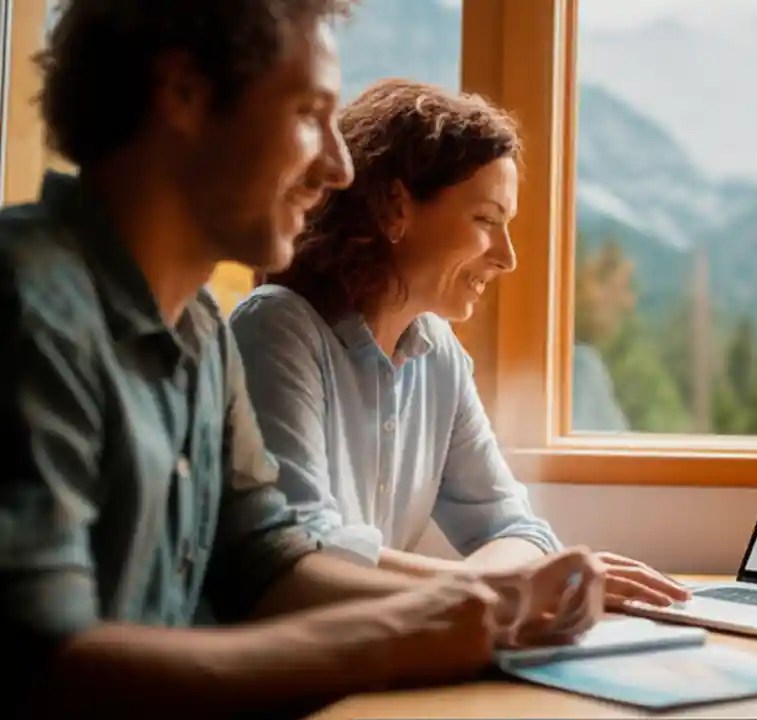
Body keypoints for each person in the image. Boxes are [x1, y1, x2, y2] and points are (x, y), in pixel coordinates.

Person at [0, 2, 606, 716]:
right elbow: (40, 658)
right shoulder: (27, 306)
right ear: (184, 95)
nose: (338, 165)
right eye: (309, 113)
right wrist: (393, 635)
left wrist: (492, 602)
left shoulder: (198, 330)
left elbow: (268, 563)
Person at [229, 79, 691, 609]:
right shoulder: (277, 330)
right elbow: (304, 552)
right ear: (393, 207)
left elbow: (517, 529)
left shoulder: (436, 353)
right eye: (486, 220)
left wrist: (492, 594)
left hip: (369, 659)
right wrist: (496, 589)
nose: (507, 256)